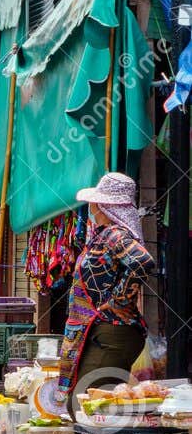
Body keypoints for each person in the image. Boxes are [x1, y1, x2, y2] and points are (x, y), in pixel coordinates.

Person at [58, 172, 155, 404]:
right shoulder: (102, 235)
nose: (90, 206)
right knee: (84, 401)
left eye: (94, 202)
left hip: (111, 330)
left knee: (86, 402)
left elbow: (142, 261)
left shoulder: (114, 234)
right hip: (100, 331)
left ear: (102, 206)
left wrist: (118, 301)